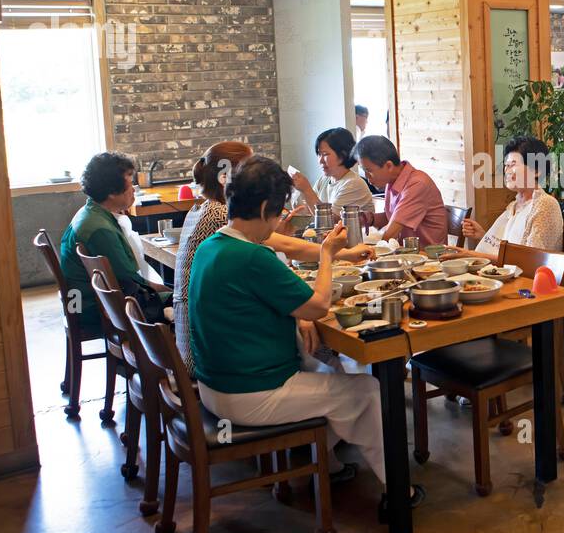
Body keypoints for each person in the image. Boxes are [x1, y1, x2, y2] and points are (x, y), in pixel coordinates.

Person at [187, 156, 423, 512]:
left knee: (332, 372)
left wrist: (336, 256)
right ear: (266, 207)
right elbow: (317, 306)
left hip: (214, 386)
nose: (280, 220)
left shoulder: (215, 245)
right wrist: (328, 255)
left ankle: (327, 465)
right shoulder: (251, 257)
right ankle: (398, 492)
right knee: (367, 390)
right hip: (248, 393)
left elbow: (283, 261)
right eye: (279, 212)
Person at [174, 141, 372, 369]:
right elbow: (287, 251)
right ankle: (330, 372)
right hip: (215, 353)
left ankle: (330, 369)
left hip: (205, 344)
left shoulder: (207, 211)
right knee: (317, 344)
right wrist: (301, 312)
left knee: (310, 336)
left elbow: (278, 246)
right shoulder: (223, 216)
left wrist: (343, 254)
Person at [60, 151, 170, 332]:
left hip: (86, 302)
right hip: (95, 310)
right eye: (130, 182)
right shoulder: (100, 230)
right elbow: (132, 280)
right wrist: (171, 292)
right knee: (185, 301)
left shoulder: (91, 212)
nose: (134, 188)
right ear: (112, 191)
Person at [459, 136, 564, 255]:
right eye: (506, 165)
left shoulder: (545, 205)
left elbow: (529, 259)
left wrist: (472, 254)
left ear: (536, 170)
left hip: (527, 274)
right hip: (505, 273)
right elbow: (508, 248)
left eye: (513, 165)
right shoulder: (514, 206)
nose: (507, 171)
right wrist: (483, 235)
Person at [354, 135, 448, 246]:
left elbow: (390, 234)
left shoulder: (417, 184)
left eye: (368, 171)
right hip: (407, 253)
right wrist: (369, 218)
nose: (366, 177)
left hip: (429, 257)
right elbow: (390, 217)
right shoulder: (392, 180)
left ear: (389, 166)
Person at [289, 127, 375, 211]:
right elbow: (308, 212)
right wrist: (297, 190)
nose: (320, 160)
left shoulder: (353, 184)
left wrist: (307, 189)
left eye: (325, 154)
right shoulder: (323, 180)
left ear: (343, 155)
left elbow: (330, 221)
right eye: (319, 154)